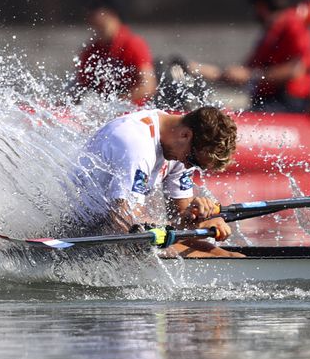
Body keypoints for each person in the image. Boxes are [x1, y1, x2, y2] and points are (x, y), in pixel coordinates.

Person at [71, 106, 242, 258]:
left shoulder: (179, 146)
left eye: (196, 166)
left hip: (112, 225)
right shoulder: (136, 145)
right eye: (192, 160)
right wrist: (209, 247)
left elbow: (180, 220)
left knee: (220, 253)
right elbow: (126, 226)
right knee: (222, 255)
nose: (188, 166)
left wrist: (200, 220)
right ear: (186, 135)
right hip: (79, 230)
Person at [194, 0, 310, 112]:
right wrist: (196, 69)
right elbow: (243, 73)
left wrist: (252, 76)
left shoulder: (293, 25)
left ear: (262, 6)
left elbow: (296, 69)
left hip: (290, 102)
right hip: (270, 101)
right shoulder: (270, 33)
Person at [73, 0, 158, 105]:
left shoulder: (133, 44)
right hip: (108, 112)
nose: (88, 15)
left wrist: (113, 103)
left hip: (133, 112)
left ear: (111, 13)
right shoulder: (91, 51)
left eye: (94, 9)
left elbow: (147, 87)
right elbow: (79, 88)